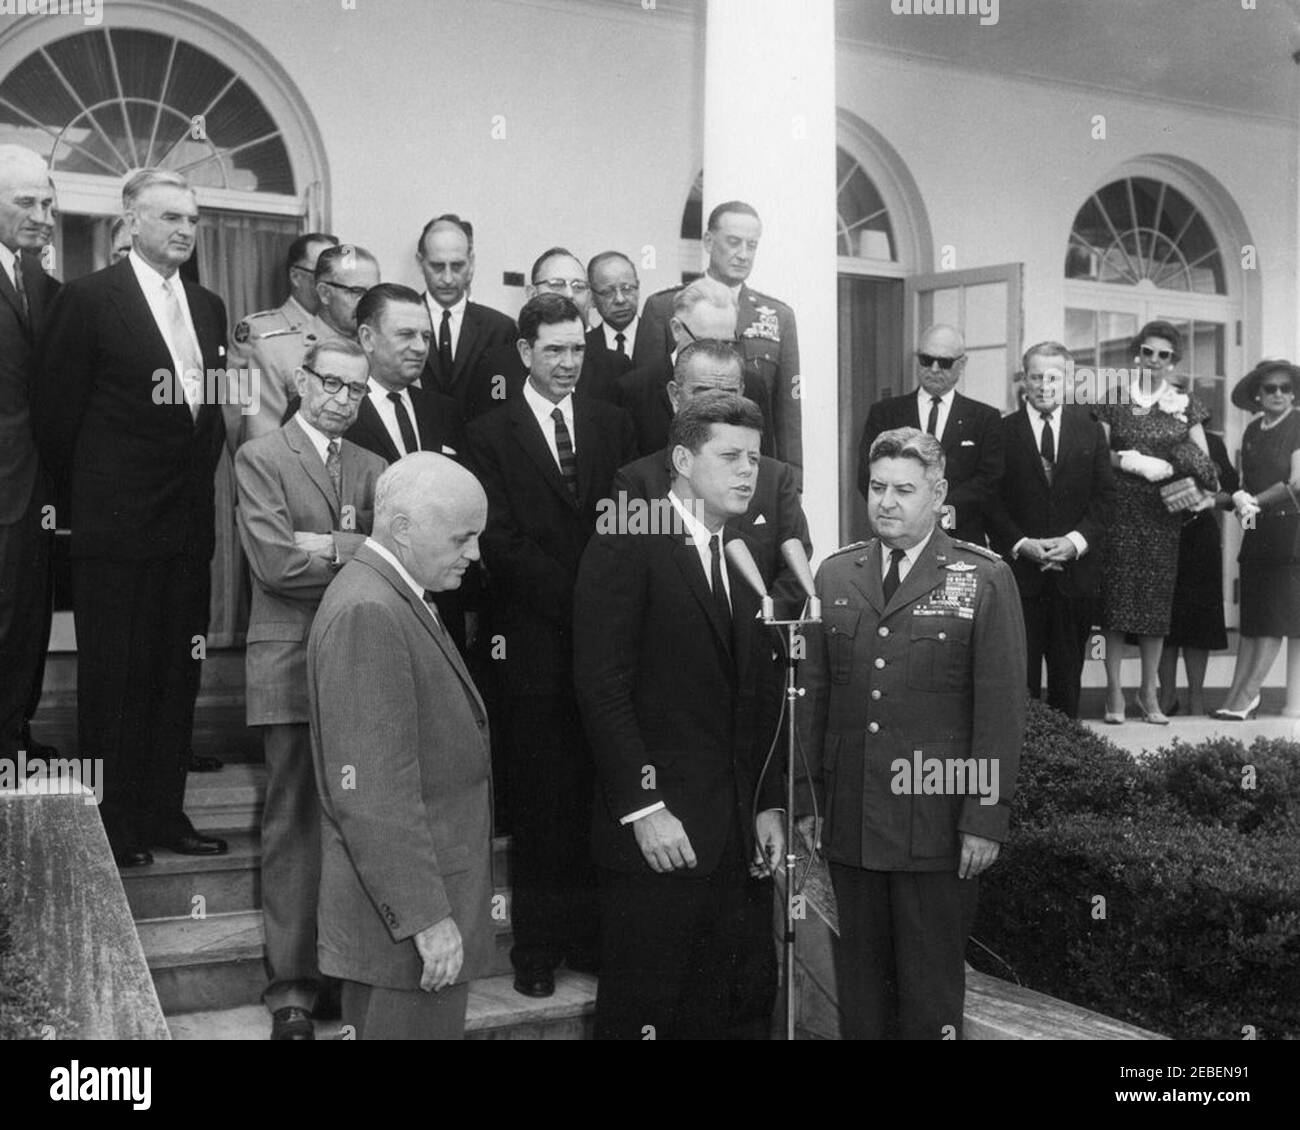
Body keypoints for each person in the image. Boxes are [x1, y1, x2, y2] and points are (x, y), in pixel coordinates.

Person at [796, 427, 1026, 1040]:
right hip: (852, 821)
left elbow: (1000, 711)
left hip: (936, 826)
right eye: (877, 488)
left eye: (903, 489)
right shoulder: (838, 574)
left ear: (939, 494)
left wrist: (984, 816)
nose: (887, 502)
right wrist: (807, 798)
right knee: (862, 995)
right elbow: (815, 697)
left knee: (927, 1000)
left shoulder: (982, 577)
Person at [32, 168, 229, 868]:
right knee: (113, 680)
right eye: (169, 216)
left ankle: (163, 814)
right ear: (131, 222)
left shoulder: (209, 307)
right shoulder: (88, 301)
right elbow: (56, 420)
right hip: (114, 532)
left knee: (177, 676)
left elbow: (209, 419)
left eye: (193, 218)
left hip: (185, 530)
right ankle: (111, 826)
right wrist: (95, 500)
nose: (184, 229)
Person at [574, 390, 785, 1040]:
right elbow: (601, 687)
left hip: (732, 841)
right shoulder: (628, 538)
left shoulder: (742, 553)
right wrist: (645, 809)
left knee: (739, 1007)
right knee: (648, 1013)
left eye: (754, 457)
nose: (748, 471)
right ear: (682, 460)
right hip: (657, 837)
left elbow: (751, 701)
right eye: (730, 456)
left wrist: (766, 805)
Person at [464, 293, 636, 999]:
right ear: (526, 353)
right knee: (541, 805)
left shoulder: (613, 425)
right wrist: (581, 599)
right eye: (556, 350)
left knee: (601, 796)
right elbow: (496, 539)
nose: (569, 362)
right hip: (530, 649)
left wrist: (605, 608)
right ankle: (535, 949)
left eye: (578, 350)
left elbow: (629, 524)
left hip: (607, 653)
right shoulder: (487, 433)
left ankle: (591, 940)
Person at [307, 453, 494, 1040]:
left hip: (415, 923)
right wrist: (426, 919)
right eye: (462, 537)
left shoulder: (392, 593)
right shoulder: (370, 607)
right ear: (404, 528)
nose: (475, 553)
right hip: (406, 936)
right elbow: (373, 794)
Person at [235, 338, 386, 1040]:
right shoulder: (260, 457)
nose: (342, 399)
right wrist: (353, 552)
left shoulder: (375, 467)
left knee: (355, 818)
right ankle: (291, 992)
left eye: (356, 389)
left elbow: (396, 559)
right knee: (294, 825)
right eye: (330, 384)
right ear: (301, 381)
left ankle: (340, 975)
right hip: (290, 664)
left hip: (359, 663)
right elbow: (272, 564)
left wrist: (323, 544)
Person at [613, 337, 812, 610]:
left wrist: (761, 634)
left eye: (728, 392)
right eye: (703, 391)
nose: (716, 404)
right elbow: (622, 589)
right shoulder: (638, 482)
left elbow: (794, 568)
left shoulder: (774, 478)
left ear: (742, 393)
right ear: (674, 395)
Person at [1095, 320, 1217, 725]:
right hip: (1119, 512)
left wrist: (1189, 484)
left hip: (1162, 514)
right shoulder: (1115, 399)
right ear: (1137, 354)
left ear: (1174, 361)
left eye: (1164, 355)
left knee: (1154, 607)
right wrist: (1129, 459)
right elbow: (1097, 455)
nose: (1154, 360)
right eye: (1148, 352)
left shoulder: (1184, 404)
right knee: (1115, 604)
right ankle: (1114, 692)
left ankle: (1149, 693)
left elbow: (1205, 467)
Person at [988, 342, 1114, 718]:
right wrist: (1021, 543)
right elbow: (990, 500)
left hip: (1074, 578)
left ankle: (1066, 767)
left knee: (1067, 683)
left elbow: (1105, 498)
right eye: (1036, 376)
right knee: (1018, 681)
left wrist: (1074, 543)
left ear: (1068, 379)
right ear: (1024, 379)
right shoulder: (1001, 430)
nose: (1044, 385)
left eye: (1053, 377)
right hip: (1020, 579)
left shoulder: (1090, 429)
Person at [634, 200, 801, 468]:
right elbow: (643, 400)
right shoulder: (663, 307)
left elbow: (788, 409)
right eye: (734, 242)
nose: (743, 254)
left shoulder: (778, 315)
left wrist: (791, 478)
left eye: (752, 245)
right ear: (709, 242)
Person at [349, 282, 468, 650]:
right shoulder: (337, 410)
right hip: (367, 601)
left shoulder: (443, 410)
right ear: (367, 337)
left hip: (440, 608)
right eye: (406, 334)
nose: (420, 347)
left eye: (425, 336)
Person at [0, 145, 60, 763]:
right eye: (26, 202)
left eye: (47, 202)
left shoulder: (41, 282)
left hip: (34, 488)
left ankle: (13, 735)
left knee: (27, 619)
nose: (41, 214)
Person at [856, 323, 1004, 547]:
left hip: (960, 536)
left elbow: (988, 481)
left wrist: (941, 514)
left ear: (962, 363)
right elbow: (866, 474)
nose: (934, 369)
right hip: (898, 537)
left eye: (944, 363)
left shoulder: (984, 418)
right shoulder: (885, 413)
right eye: (926, 360)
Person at [1215, 360, 1300, 720]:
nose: (1278, 393)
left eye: (1284, 387)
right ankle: (1235, 696)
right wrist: (1238, 504)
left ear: (1293, 392)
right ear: (1258, 395)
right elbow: (1244, 488)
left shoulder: (1298, 424)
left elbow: (1296, 483)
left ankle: (1249, 695)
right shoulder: (1251, 431)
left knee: (1272, 617)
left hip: (1289, 532)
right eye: (1270, 388)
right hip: (1256, 533)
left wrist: (1253, 501)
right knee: (1251, 620)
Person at [225, 232, 339, 447]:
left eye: (336, 275)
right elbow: (236, 413)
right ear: (296, 277)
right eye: (321, 274)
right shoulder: (258, 330)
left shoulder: (344, 332)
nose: (331, 285)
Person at [1159, 427, 1238, 716]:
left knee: (1199, 621)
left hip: (1200, 536)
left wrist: (1209, 499)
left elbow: (1232, 491)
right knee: (1161, 620)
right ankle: (1166, 696)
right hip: (1159, 533)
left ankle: (1196, 699)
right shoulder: (1150, 437)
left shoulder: (1212, 442)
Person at [615, 276, 738, 458]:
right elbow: (625, 477)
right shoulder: (633, 391)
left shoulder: (752, 385)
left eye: (727, 344)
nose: (716, 354)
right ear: (676, 330)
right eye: (706, 343)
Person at [415, 214, 517, 418]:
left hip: (479, 443)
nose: (447, 278)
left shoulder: (499, 328)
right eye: (436, 266)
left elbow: (502, 396)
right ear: (420, 262)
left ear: (471, 262)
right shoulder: (402, 322)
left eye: (457, 266)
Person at [585, 250, 639, 374]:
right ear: (592, 297)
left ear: (638, 287)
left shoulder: (662, 342)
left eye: (627, 289)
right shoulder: (583, 347)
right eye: (608, 292)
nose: (620, 299)